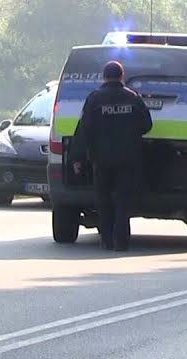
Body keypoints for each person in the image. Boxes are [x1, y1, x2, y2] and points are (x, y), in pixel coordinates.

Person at [72, 60, 153, 251]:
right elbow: (147, 125)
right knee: (123, 200)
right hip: (128, 159)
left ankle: (107, 240)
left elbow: (84, 130)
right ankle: (121, 241)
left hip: (101, 160)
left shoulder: (94, 99)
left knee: (104, 200)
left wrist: (77, 157)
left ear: (104, 76)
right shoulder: (133, 98)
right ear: (121, 76)